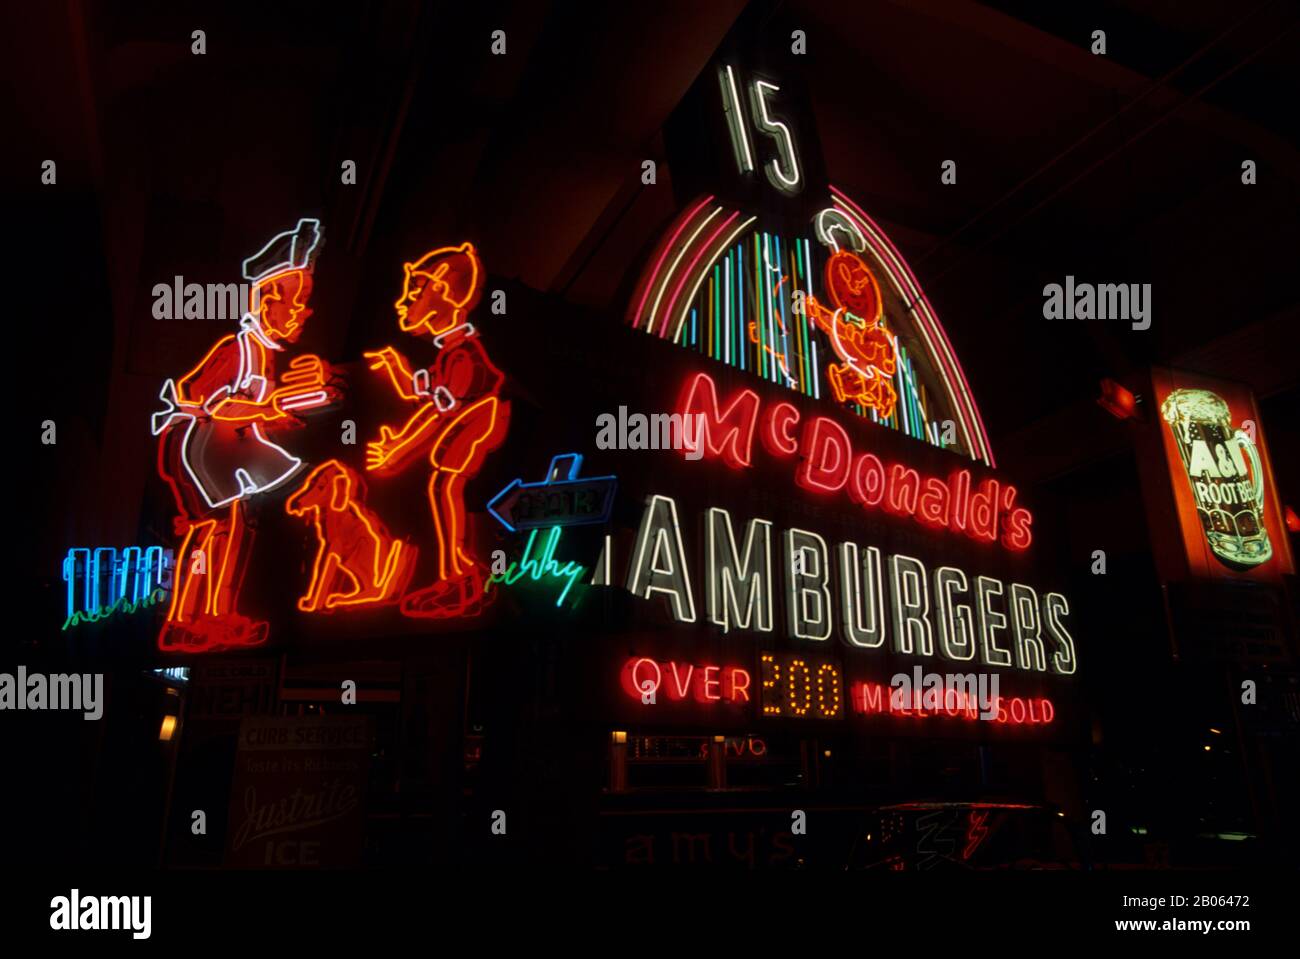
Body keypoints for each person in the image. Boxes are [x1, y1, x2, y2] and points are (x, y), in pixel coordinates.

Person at [152, 218, 339, 651]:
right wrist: (273, 407)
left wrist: (283, 415)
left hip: (226, 452)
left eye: (307, 303)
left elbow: (249, 412)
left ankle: (218, 613)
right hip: (192, 448)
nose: (303, 313)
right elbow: (216, 405)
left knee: (234, 527)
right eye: (295, 302)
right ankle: (184, 617)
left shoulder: (265, 356)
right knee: (208, 532)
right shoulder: (237, 350)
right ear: (266, 299)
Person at [364, 242, 509, 619]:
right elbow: (425, 393)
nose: (403, 302)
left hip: (482, 417)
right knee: (442, 485)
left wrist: (398, 450)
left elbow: (437, 412)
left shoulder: (464, 352)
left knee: (445, 484)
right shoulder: (449, 352)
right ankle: (456, 574)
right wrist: (396, 368)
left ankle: (459, 574)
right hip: (468, 416)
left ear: (443, 291)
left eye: (415, 292)